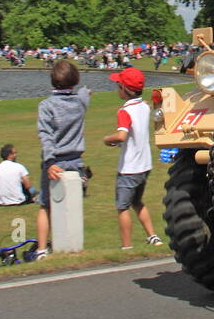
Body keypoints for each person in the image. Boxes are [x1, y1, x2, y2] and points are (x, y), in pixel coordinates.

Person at [34, 60, 91, 260]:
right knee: (73, 206)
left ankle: (42, 249)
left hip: (55, 161)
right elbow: (84, 92)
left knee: (45, 205)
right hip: (76, 160)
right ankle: (72, 244)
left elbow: (46, 136)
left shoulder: (46, 106)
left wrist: (49, 162)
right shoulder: (81, 102)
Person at [102, 67, 164, 250]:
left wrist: (107, 140)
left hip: (129, 168)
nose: (116, 88)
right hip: (145, 165)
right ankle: (153, 236)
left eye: (118, 85)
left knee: (122, 207)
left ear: (124, 89)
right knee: (137, 202)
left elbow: (121, 136)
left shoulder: (124, 111)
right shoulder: (144, 107)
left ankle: (126, 246)